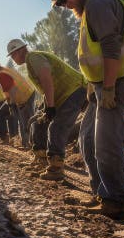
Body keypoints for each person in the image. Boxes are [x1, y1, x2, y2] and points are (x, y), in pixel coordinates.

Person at [43, 0, 124, 219]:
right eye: (59, 3)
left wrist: (108, 87)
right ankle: (103, 192)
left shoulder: (97, 3)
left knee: (106, 141)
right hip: (103, 82)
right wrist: (93, 84)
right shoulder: (89, 6)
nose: (65, 6)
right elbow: (94, 52)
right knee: (87, 138)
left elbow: (111, 48)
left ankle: (117, 202)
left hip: (119, 79)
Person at [7, 39, 86, 180]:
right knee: (39, 123)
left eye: (13, 55)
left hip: (74, 91)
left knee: (56, 127)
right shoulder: (31, 62)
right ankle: (41, 159)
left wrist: (50, 107)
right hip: (65, 95)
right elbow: (45, 88)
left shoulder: (33, 57)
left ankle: (56, 168)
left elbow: (46, 78)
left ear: (19, 51)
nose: (12, 59)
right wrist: (45, 108)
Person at [0, 59, 35, 146]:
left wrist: (11, 104)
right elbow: (9, 90)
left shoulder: (2, 74)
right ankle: (7, 139)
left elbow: (13, 90)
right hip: (21, 95)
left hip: (24, 96)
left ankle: (27, 144)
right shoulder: (3, 72)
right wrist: (10, 103)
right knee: (0, 115)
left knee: (24, 121)